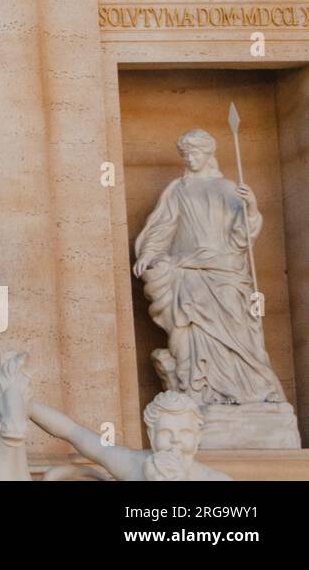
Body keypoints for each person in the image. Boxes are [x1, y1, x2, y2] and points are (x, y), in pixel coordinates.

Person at [134, 128, 284, 405]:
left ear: (208, 155)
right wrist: (150, 253)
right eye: (186, 154)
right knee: (188, 329)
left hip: (223, 271)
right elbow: (164, 225)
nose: (190, 159)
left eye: (196, 153)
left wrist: (251, 207)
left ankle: (248, 391)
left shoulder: (228, 189)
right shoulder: (178, 190)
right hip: (186, 272)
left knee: (237, 331)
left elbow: (242, 237)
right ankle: (199, 390)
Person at [30, 391, 231, 481]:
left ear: (197, 438)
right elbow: (74, 432)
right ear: (151, 436)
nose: (175, 440)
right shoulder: (132, 464)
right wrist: (25, 404)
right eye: (165, 432)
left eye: (185, 432)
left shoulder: (216, 480)